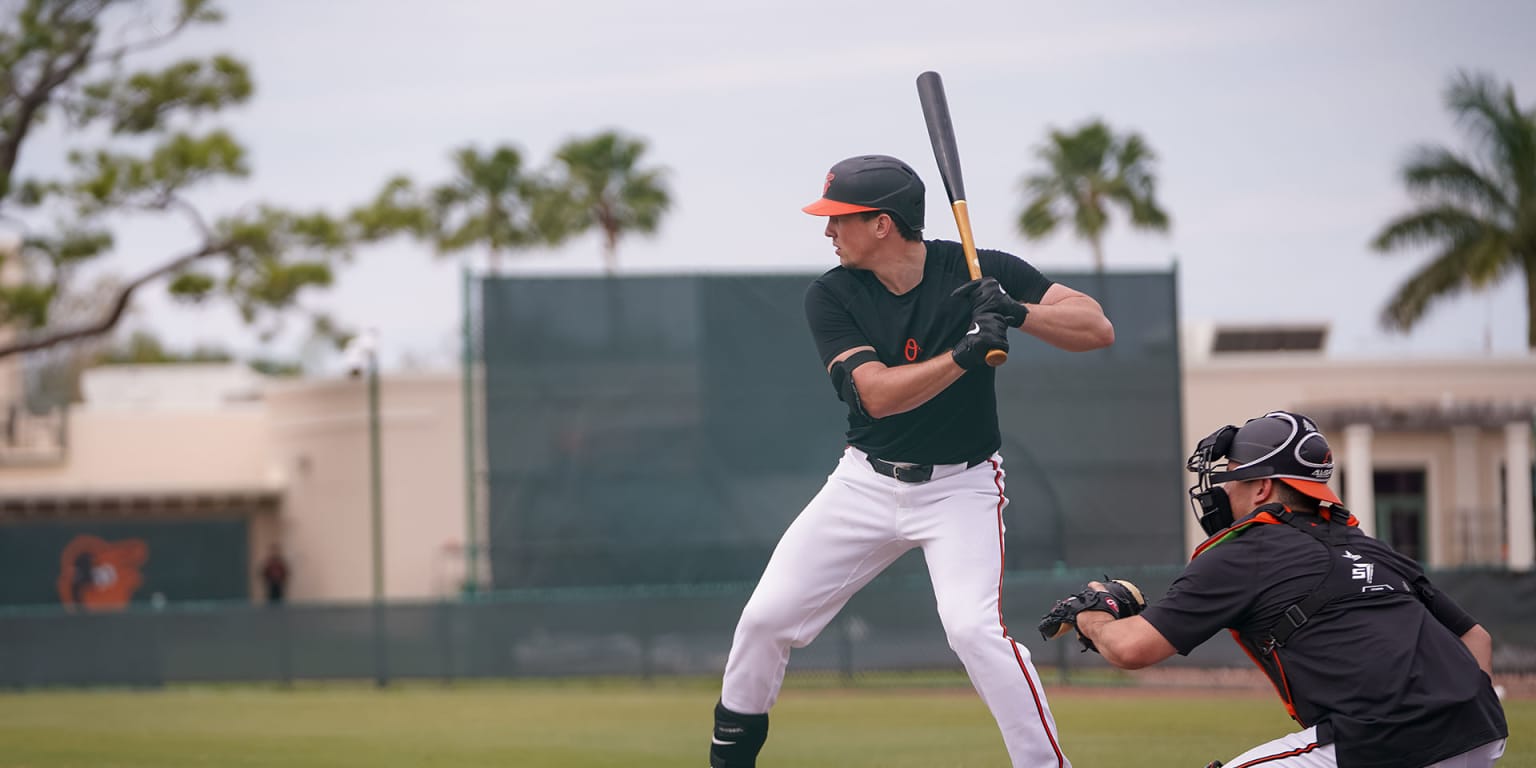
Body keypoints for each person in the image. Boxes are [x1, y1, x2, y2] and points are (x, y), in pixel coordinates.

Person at [707, 154, 1115, 768]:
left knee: (973, 632)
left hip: (962, 489)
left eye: (839, 218)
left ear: (882, 224)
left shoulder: (982, 269)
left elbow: (1096, 327)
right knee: (764, 620)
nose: (827, 232)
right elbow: (877, 396)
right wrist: (966, 353)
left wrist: (1016, 311)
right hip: (864, 484)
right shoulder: (832, 293)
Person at [1038, 410, 1508, 768]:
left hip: (1381, 737)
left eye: (1231, 477)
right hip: (1479, 730)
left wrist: (1094, 614)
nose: (1221, 490)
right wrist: (1454, 713)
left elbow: (1132, 649)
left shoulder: (1248, 550)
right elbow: (1477, 638)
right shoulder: (1370, 546)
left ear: (1262, 487)